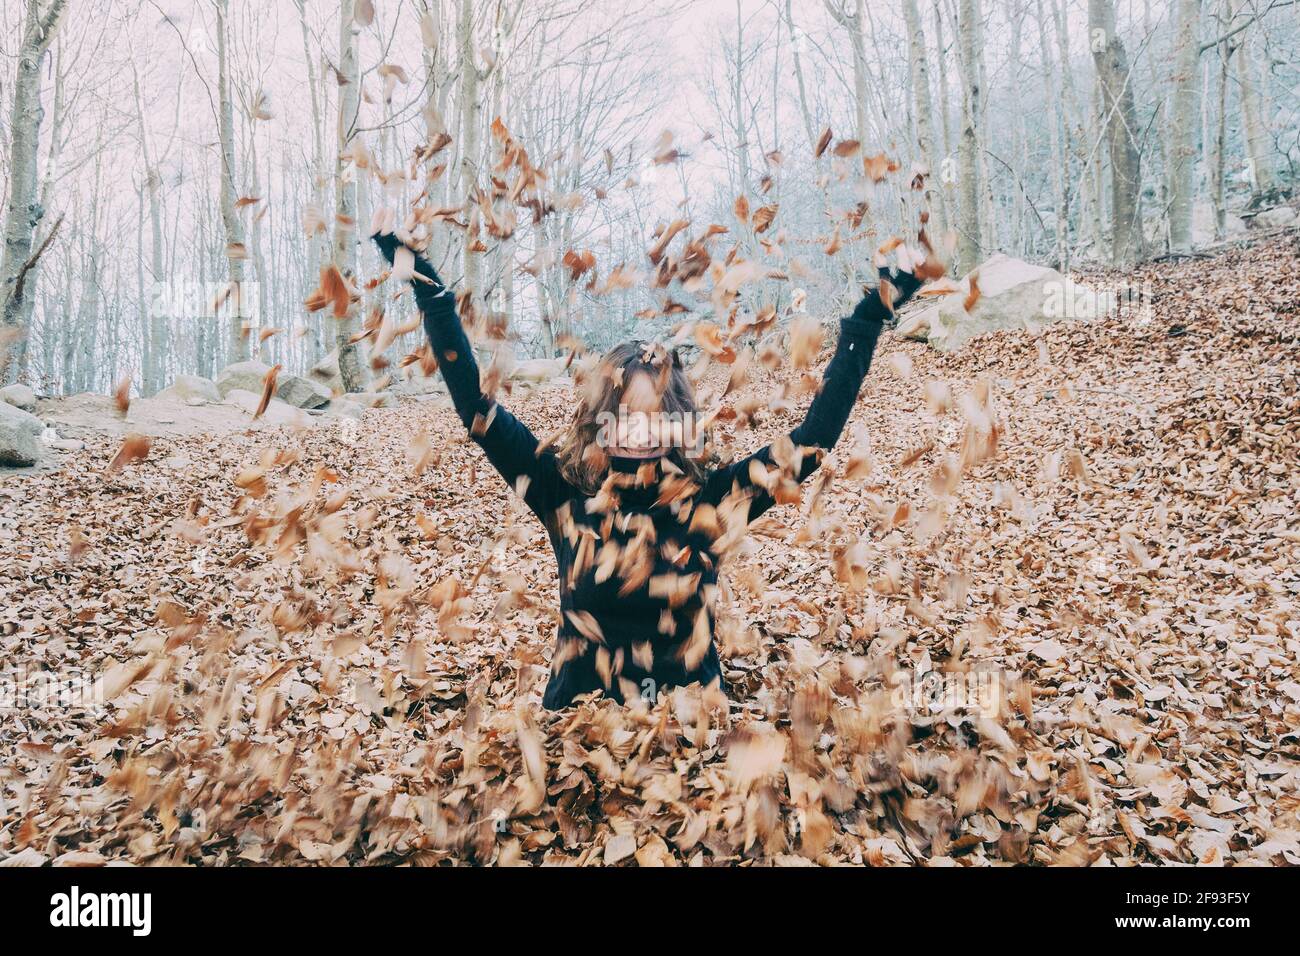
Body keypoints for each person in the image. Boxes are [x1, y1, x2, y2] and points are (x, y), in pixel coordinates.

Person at [372, 230, 925, 709]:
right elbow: (477, 409)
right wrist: (430, 289)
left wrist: (869, 316)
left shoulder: (712, 500)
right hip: (577, 740)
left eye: (653, 416)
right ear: (600, 421)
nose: (638, 431)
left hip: (689, 742)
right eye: (623, 416)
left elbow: (814, 440)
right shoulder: (562, 493)